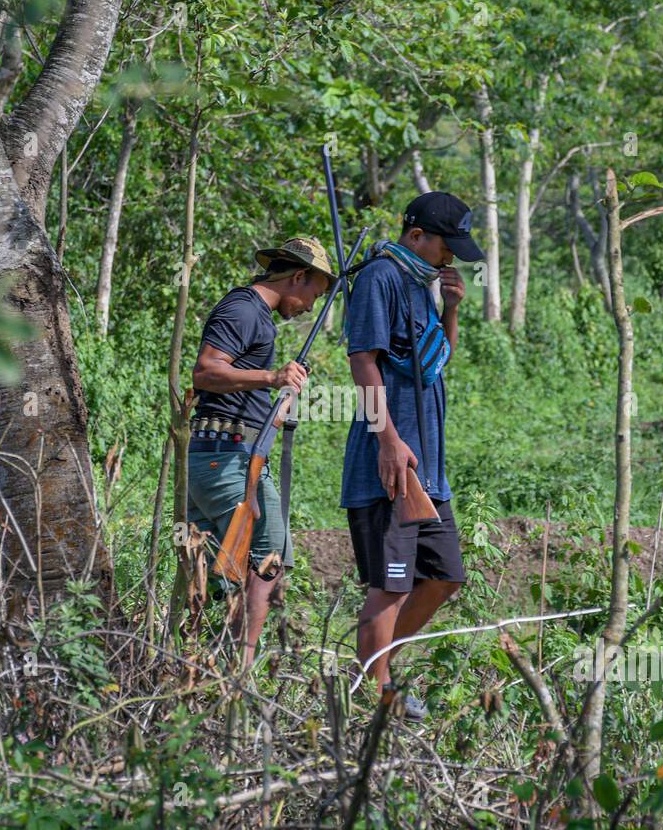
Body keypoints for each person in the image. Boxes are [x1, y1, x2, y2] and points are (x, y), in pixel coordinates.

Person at [340, 192, 485, 720]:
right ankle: (376, 696)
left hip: (429, 470)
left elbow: (435, 361)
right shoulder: (381, 277)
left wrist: (451, 310)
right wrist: (388, 441)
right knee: (390, 586)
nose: (451, 257)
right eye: (448, 245)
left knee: (444, 575)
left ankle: (371, 670)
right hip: (391, 466)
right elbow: (364, 360)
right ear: (418, 235)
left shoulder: (423, 283)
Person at [188, 237, 336, 670]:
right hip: (227, 462)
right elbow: (206, 371)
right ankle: (241, 674)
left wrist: (273, 405)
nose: (310, 306)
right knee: (266, 562)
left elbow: (232, 389)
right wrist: (272, 376)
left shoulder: (257, 317)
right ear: (298, 277)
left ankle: (202, 666)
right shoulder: (244, 310)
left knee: (220, 574)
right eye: (314, 293)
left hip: (222, 456)